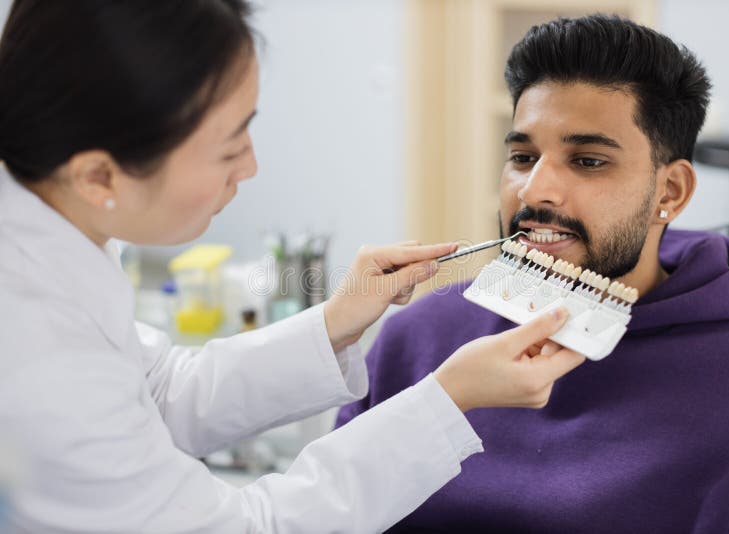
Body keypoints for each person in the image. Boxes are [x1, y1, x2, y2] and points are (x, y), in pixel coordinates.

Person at [0, 2, 587, 532]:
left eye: (587, 160)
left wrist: (334, 322)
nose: (251, 167)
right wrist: (447, 400)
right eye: (230, 148)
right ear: (98, 175)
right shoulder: (37, 357)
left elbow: (158, 392)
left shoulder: (53, 240)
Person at [337, 14, 729, 533]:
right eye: (522, 155)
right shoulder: (416, 338)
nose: (534, 190)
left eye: (587, 161)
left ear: (669, 192)